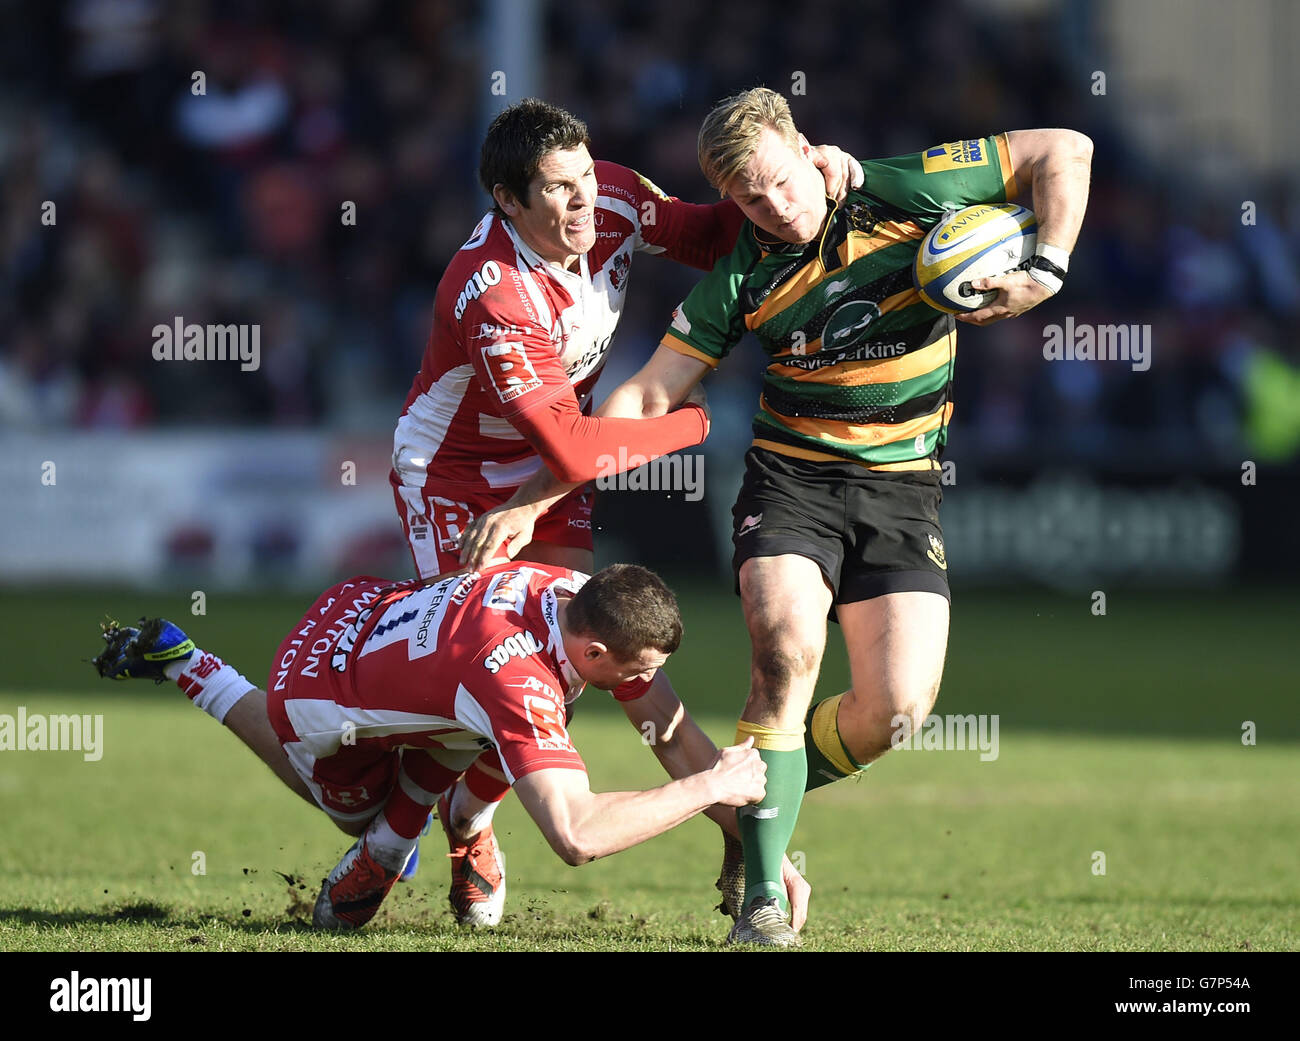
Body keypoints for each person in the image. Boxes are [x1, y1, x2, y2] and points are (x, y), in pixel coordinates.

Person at [456, 88, 1094, 946]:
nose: (775, 209)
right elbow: (649, 393)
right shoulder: (741, 274)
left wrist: (1046, 267)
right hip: (789, 480)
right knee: (785, 657)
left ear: (806, 148)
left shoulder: (905, 189)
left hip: (903, 486)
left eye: (782, 184)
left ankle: (741, 793)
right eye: (750, 200)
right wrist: (540, 492)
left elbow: (1066, 148)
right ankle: (760, 894)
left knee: (898, 708)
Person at [388, 97, 857, 921]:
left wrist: (814, 176)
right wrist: (695, 420)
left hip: (549, 468)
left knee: (597, 661)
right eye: (556, 190)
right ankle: (433, 832)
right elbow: (574, 447)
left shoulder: (608, 195)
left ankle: (476, 814)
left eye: (582, 178)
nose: (582, 201)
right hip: (456, 480)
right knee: (496, 672)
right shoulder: (494, 293)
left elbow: (717, 234)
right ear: (506, 200)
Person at [91, 561, 809, 933]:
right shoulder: (518, 676)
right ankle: (192, 666)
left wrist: (765, 857)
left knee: (528, 724)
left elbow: (673, 732)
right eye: (641, 669)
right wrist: (712, 789)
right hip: (317, 688)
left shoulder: (571, 593)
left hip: (373, 612)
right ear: (594, 648)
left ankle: (458, 828)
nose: (650, 684)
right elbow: (576, 833)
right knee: (355, 811)